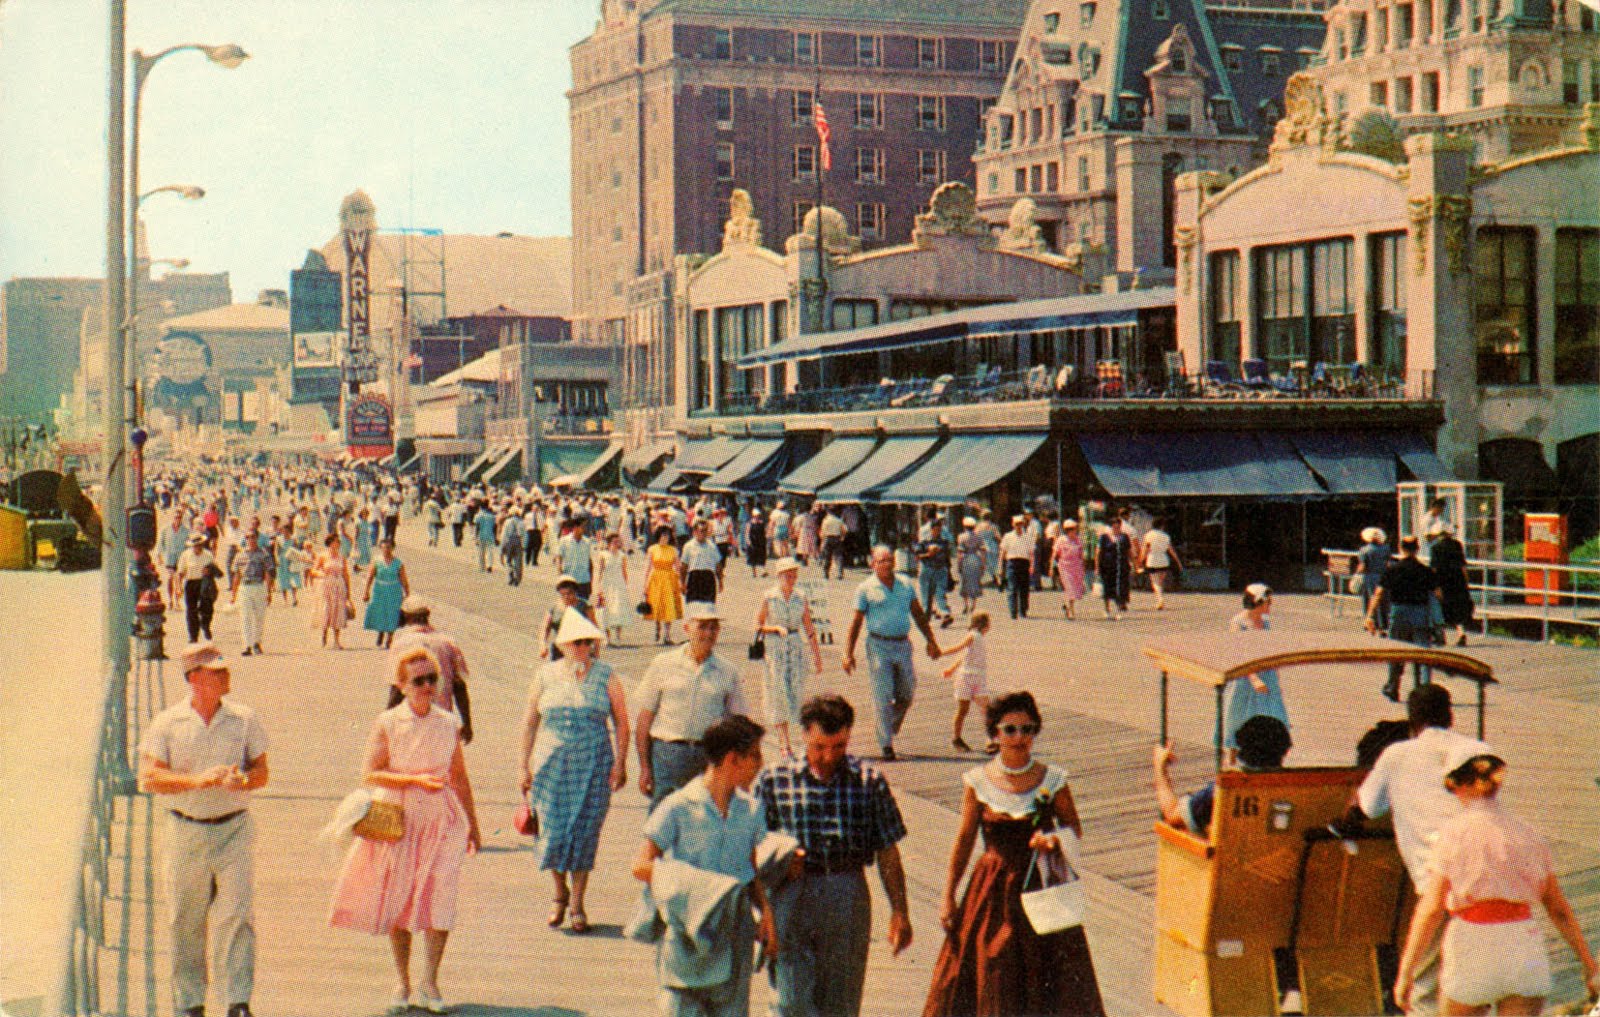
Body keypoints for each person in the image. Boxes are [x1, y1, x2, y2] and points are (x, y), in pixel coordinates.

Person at [923, 691, 1105, 1017]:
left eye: (1027, 729)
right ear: (995, 734)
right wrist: (948, 895)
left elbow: (1073, 828)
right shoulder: (978, 781)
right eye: (1010, 730)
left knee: (1048, 978)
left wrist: (1052, 841)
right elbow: (964, 840)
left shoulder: (1053, 780)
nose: (1019, 737)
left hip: (1041, 890)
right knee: (993, 971)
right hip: (992, 891)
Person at [329, 647, 481, 1014]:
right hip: (399, 818)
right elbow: (370, 772)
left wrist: (474, 826)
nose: (428, 686)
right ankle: (403, 980)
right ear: (401, 684)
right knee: (400, 898)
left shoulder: (448, 723)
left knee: (440, 894)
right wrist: (413, 780)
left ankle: (430, 980)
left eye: (433, 679)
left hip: (441, 819)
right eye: (419, 680)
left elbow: (458, 775)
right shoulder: (388, 722)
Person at [1394, 744, 1599, 1016]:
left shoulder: (1452, 834)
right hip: (1523, 947)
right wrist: (1589, 964)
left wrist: (1406, 973)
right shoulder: (1528, 833)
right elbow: (1558, 909)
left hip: (1472, 946)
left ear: (1457, 785)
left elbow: (1431, 911)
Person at [754, 695, 913, 1017]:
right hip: (790, 892)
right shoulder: (774, 780)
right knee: (790, 1001)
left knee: (841, 1002)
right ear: (803, 735)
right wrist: (776, 864)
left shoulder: (869, 781)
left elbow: (888, 851)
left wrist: (899, 911)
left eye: (839, 747)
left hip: (847, 892)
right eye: (819, 747)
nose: (828, 757)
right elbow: (748, 845)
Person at [1341, 684, 1492, 1016]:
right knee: (1475, 984)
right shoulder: (1480, 750)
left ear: (1412, 720)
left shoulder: (1396, 755)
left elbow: (1364, 809)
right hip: (1491, 882)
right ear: (1451, 716)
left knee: (1424, 989)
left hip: (1441, 885)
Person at [138, 642, 269, 1017]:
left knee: (237, 914)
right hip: (186, 830)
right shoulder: (167, 722)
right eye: (218, 671)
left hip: (234, 828)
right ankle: (190, 1002)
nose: (227, 676)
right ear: (194, 678)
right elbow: (149, 777)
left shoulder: (243, 718)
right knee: (185, 918)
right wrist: (197, 781)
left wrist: (242, 780)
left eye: (226, 670)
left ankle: (237, 1000)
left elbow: (262, 770)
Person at [632, 715, 777, 1017]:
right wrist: (700, 888)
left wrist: (765, 912)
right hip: (686, 938)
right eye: (754, 757)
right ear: (731, 759)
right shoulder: (678, 806)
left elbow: (750, 868)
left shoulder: (751, 810)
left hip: (733, 935)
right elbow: (641, 866)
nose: (760, 764)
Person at [518, 611, 628, 935]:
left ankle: (578, 901)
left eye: (587, 642)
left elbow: (622, 721)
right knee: (550, 829)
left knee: (584, 832)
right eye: (576, 643)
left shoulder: (607, 675)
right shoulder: (545, 675)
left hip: (594, 763)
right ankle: (558, 893)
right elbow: (529, 721)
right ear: (563, 645)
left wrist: (621, 763)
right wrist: (522, 765)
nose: (582, 648)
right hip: (551, 764)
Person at [635, 603, 749, 808]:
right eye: (702, 626)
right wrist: (644, 768)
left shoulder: (728, 671)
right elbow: (644, 718)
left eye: (714, 627)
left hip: (708, 758)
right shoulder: (663, 664)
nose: (708, 633)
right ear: (687, 628)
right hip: (668, 755)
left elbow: (739, 725)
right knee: (662, 824)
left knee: (705, 823)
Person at [842, 545, 942, 761]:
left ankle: (886, 724)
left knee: (907, 692)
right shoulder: (865, 588)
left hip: (902, 645)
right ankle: (886, 743)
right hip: (878, 646)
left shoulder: (906, 585)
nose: (886, 564)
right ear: (873, 564)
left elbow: (918, 614)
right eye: (881, 561)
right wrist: (848, 653)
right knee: (883, 696)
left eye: (889, 560)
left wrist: (931, 641)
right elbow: (856, 622)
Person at [754, 557, 824, 758]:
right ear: (778, 575)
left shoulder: (800, 597)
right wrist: (775, 628)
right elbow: (758, 625)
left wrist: (816, 656)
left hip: (794, 646)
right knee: (777, 693)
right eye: (787, 575)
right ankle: (784, 743)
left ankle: (798, 739)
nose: (791, 578)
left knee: (795, 692)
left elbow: (809, 629)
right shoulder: (769, 597)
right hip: (775, 648)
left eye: (794, 575)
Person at [1366, 536, 1443, 702]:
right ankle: (1424, 690)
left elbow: (1378, 593)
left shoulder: (1393, 569)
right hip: (1420, 614)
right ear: (1417, 549)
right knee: (1423, 652)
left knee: (1397, 652)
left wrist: (1370, 615)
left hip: (1399, 613)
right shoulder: (1426, 570)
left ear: (1401, 548)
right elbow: (1438, 594)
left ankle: (1393, 687)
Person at [389, 596, 474, 745]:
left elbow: (396, 689)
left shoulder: (401, 643)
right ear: (428, 616)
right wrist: (467, 723)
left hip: (410, 721)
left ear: (406, 616)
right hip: (442, 722)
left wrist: (388, 723)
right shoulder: (447, 643)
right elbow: (459, 686)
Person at [1222, 583, 1290, 762]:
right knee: (1238, 717)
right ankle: (1232, 759)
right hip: (1245, 677)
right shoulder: (1238, 623)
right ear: (1258, 602)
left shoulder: (1265, 623)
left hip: (1266, 673)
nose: (1270, 606)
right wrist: (1253, 678)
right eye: (1267, 602)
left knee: (1273, 713)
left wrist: (1275, 671)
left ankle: (1271, 755)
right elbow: (1239, 653)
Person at [938, 611, 996, 754]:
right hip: (967, 677)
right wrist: (941, 653)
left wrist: (951, 669)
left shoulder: (979, 638)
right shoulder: (973, 635)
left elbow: (965, 655)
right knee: (964, 709)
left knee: (986, 709)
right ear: (984, 624)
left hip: (977, 676)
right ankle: (957, 738)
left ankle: (990, 740)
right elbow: (959, 648)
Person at [228, 530, 275, 657]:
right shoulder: (240, 555)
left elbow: (268, 573)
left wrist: (269, 591)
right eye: (248, 537)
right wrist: (233, 593)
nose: (251, 540)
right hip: (245, 587)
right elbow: (236, 575)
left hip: (259, 586)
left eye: (253, 537)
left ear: (257, 538)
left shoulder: (264, 554)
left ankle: (256, 642)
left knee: (259, 617)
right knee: (245, 617)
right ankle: (247, 645)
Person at [1428, 523, 1474, 647]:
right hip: (1458, 580)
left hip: (1443, 581)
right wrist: (1466, 581)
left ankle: (1440, 636)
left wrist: (1435, 585)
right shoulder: (1457, 545)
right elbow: (1463, 566)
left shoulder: (1435, 548)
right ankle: (1461, 633)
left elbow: (1434, 568)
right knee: (1458, 608)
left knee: (1442, 607)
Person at [538, 575, 599, 661]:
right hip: (559, 649)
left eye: (569, 593)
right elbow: (545, 628)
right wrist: (543, 645)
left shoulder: (584, 606)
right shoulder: (554, 607)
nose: (566, 596)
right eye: (563, 594)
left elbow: (594, 628)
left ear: (575, 592)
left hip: (579, 648)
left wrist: (596, 650)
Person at [644, 527, 686, 645]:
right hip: (656, 579)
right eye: (663, 535)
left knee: (669, 606)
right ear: (658, 536)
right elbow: (648, 567)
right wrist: (645, 584)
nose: (665, 538)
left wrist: (681, 582)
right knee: (657, 605)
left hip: (669, 579)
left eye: (667, 536)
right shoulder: (652, 549)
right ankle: (657, 627)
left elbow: (678, 567)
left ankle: (667, 635)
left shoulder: (673, 550)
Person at [176, 531, 220, 643]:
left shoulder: (208, 555)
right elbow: (180, 573)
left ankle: (205, 626)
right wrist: (178, 587)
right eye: (195, 545)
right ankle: (193, 635)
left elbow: (216, 570)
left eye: (200, 544)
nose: (198, 547)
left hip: (204, 583)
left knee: (207, 608)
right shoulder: (185, 555)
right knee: (191, 611)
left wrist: (209, 571)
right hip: (191, 583)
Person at [312, 533, 352, 650]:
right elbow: (313, 570)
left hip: (338, 585)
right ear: (330, 543)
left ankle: (336, 641)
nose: (338, 543)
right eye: (335, 541)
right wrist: (321, 573)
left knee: (338, 611)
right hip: (326, 584)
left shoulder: (341, 557)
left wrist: (348, 590)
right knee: (326, 610)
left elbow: (346, 574)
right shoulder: (322, 556)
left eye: (338, 542)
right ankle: (324, 635)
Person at [915, 515, 955, 628]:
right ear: (931, 529)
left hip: (941, 570)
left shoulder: (944, 542)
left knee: (940, 593)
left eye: (939, 529)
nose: (937, 531)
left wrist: (949, 571)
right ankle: (925, 616)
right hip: (927, 570)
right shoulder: (924, 542)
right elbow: (917, 556)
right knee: (926, 595)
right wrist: (928, 554)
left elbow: (948, 556)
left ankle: (945, 615)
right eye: (935, 529)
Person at [594, 531, 631, 646]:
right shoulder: (603, 555)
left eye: (618, 542)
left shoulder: (622, 555)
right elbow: (600, 572)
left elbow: (624, 572)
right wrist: (598, 587)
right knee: (606, 610)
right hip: (607, 584)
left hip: (618, 585)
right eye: (614, 542)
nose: (617, 544)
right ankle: (608, 638)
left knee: (619, 609)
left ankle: (618, 637)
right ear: (609, 543)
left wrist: (625, 586)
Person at [680, 518, 725, 607]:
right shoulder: (688, 546)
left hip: (708, 579)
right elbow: (684, 567)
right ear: (695, 532)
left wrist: (720, 581)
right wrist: (682, 583)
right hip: (694, 579)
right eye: (701, 531)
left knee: (708, 608)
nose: (704, 533)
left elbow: (718, 566)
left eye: (705, 530)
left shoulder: (712, 546)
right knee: (693, 608)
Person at [1096, 516, 1134, 620]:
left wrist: (1134, 564)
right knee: (1108, 587)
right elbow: (1098, 552)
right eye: (1114, 527)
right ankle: (1107, 609)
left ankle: (1118, 609)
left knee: (1120, 588)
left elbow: (1129, 551)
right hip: (1107, 566)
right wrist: (1097, 567)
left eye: (1118, 527)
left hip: (1121, 566)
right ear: (1111, 527)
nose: (1116, 529)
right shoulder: (1104, 537)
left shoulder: (1124, 537)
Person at [1139, 516, 1180, 611]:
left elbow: (1145, 549)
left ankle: (1160, 599)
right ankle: (1159, 599)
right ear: (1162, 526)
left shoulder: (1148, 535)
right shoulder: (1166, 536)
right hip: (1164, 560)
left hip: (1152, 560)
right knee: (1160, 582)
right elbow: (1171, 550)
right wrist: (1177, 561)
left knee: (1154, 582)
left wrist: (1140, 560)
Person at [1355, 526, 1392, 630]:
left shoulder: (1364, 550)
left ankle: (1370, 622)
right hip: (1383, 575)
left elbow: (1362, 566)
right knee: (1384, 600)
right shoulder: (1386, 549)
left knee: (1370, 599)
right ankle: (1384, 623)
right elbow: (1388, 564)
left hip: (1370, 576)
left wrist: (1356, 574)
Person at [998, 515, 1034, 620]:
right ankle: (1013, 612)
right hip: (1012, 563)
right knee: (1012, 588)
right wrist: (1000, 566)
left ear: (1023, 524)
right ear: (1013, 525)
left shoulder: (1028, 537)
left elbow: (1031, 553)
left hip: (1024, 563)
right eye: (1016, 524)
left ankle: (1023, 611)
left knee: (1024, 588)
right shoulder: (1008, 536)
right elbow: (1003, 552)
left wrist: (1032, 566)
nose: (1019, 526)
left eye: (1020, 524)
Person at [1051, 519, 1087, 619]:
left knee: (1074, 589)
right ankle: (1071, 611)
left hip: (1076, 567)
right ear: (1068, 530)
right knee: (1069, 588)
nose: (1074, 531)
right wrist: (1051, 567)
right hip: (1065, 567)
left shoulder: (1078, 540)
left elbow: (1081, 555)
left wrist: (1083, 567)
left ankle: (1067, 605)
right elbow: (1055, 554)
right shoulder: (1061, 540)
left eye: (1075, 529)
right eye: (1071, 529)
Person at [955, 516, 988, 617]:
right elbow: (983, 551)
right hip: (975, 559)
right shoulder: (979, 537)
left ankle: (965, 604)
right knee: (975, 581)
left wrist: (958, 564)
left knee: (964, 582)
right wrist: (983, 564)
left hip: (965, 559)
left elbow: (960, 552)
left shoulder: (961, 537)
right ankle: (973, 604)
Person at [555, 520, 596, 601]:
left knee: (583, 606)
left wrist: (591, 580)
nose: (584, 529)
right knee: (569, 606)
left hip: (584, 580)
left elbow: (589, 561)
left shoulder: (587, 542)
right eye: (582, 527)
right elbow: (559, 558)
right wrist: (560, 574)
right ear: (575, 528)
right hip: (570, 579)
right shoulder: (564, 541)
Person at [500, 507, 526, 587]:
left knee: (509, 560)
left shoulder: (507, 521)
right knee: (518, 561)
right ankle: (517, 578)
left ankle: (510, 575)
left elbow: (504, 534)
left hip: (509, 541)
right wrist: (524, 545)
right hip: (518, 541)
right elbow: (523, 534)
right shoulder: (522, 522)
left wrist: (502, 545)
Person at [819, 507, 846, 580]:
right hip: (837, 538)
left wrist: (823, 540)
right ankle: (839, 573)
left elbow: (823, 531)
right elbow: (844, 530)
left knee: (828, 556)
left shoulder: (826, 520)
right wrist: (842, 537)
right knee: (839, 556)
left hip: (828, 538)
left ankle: (826, 573)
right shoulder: (839, 520)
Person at [473, 502, 497, 573]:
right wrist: (495, 537)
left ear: (480, 507)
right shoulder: (492, 516)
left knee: (481, 552)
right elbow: (494, 527)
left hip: (481, 535)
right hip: (490, 535)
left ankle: (482, 566)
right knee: (490, 551)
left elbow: (477, 527)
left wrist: (475, 537)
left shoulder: (478, 515)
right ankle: (489, 565)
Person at [744, 509, 768, 577]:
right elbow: (747, 533)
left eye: (758, 516)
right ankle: (753, 572)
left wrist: (765, 539)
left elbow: (764, 532)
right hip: (752, 542)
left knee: (761, 557)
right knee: (752, 557)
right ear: (753, 516)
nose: (757, 517)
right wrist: (748, 541)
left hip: (760, 542)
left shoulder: (761, 523)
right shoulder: (749, 523)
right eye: (755, 516)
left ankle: (763, 571)